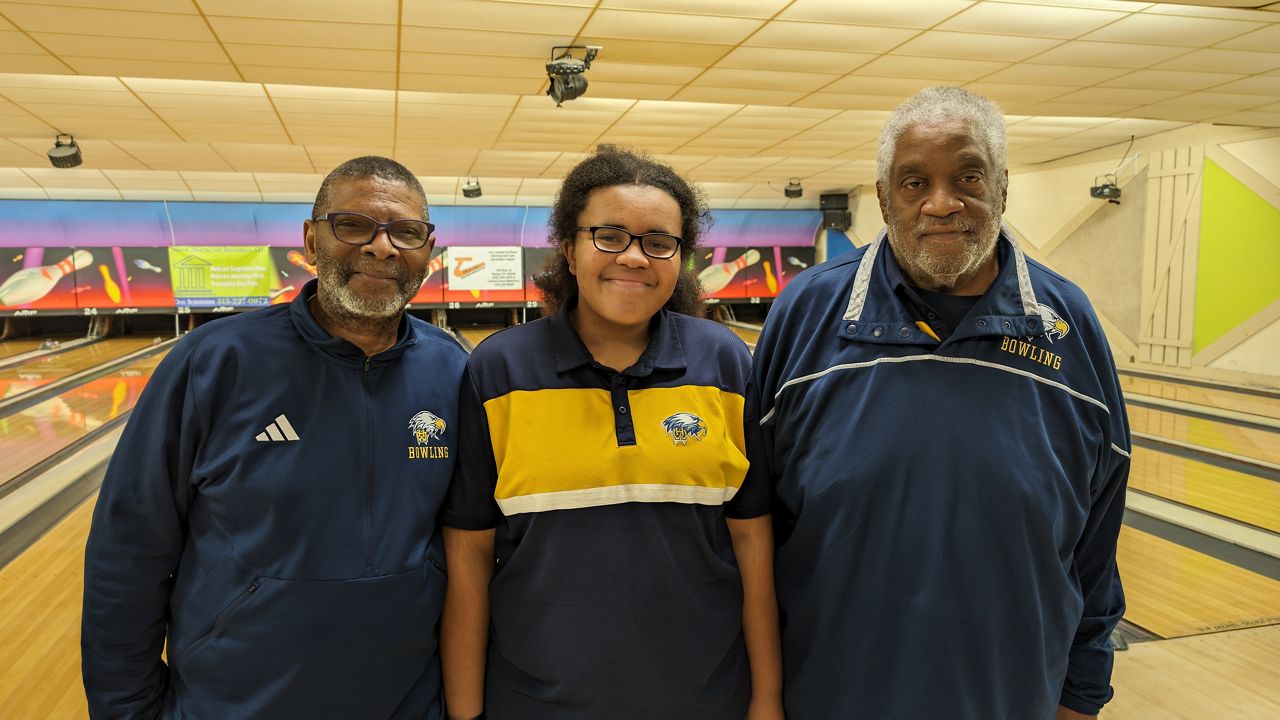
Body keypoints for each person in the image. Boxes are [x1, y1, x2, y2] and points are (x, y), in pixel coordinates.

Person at [748, 86, 1129, 720]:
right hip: (830, 698)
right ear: (883, 198)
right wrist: (762, 694)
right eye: (914, 182)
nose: (942, 203)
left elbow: (1097, 541)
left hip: (1013, 700)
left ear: (1002, 189)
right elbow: (754, 528)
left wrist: (1083, 698)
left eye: (969, 177)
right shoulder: (804, 314)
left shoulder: (1072, 325)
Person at [81, 156, 467, 719]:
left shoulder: (452, 369)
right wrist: (126, 710)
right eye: (354, 225)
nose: (382, 248)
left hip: (406, 702)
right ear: (311, 241)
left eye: (406, 233)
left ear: (427, 254)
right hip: (232, 703)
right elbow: (127, 550)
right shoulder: (212, 362)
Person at [440, 149, 783, 720]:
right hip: (532, 702)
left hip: (706, 700)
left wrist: (767, 700)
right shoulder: (497, 371)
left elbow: (752, 545)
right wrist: (467, 713)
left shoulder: (724, 363)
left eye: (658, 241)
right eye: (609, 235)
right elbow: (469, 557)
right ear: (570, 250)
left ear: (680, 258)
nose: (633, 257)